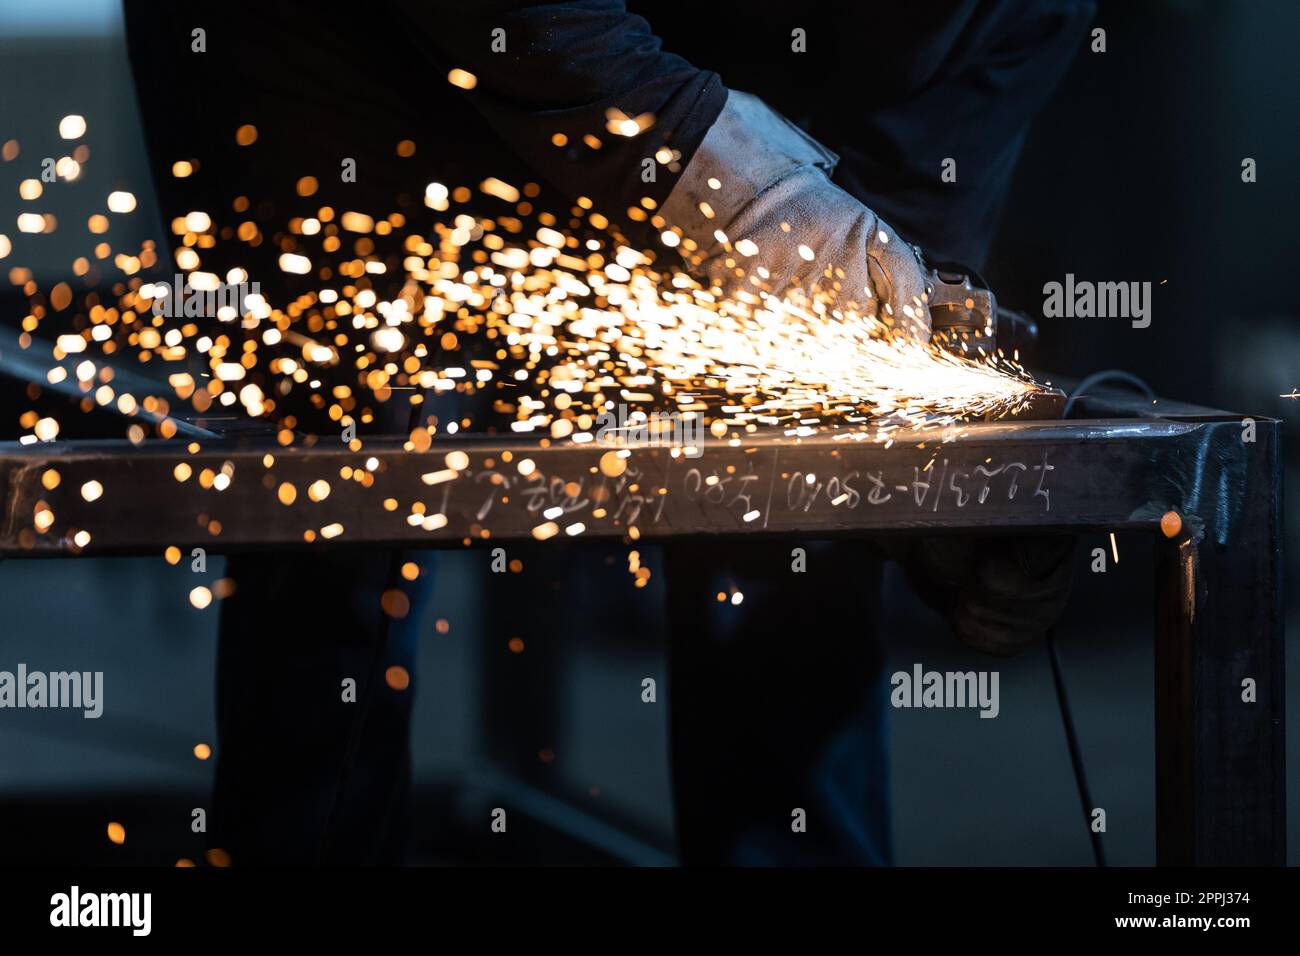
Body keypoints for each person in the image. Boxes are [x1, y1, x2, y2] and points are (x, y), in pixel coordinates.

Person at [124, 0, 1092, 865]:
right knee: (339, 461)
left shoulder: (1013, 21)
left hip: (744, 60)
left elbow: (893, 259)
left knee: (800, 495)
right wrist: (723, 174)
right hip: (341, 34)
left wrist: (917, 480)